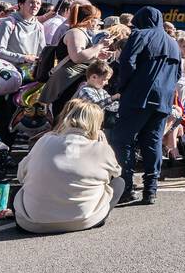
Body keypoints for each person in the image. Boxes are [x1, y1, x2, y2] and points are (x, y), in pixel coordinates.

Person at [13, 99, 124, 234]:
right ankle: (93, 213)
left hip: (32, 223)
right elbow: (115, 173)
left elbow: (21, 175)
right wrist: (104, 145)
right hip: (83, 221)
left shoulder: (46, 140)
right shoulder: (100, 148)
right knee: (119, 183)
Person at [111, 7, 181, 205]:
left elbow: (127, 60)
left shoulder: (140, 34)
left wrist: (124, 85)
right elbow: (178, 74)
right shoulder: (173, 42)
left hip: (138, 95)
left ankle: (126, 186)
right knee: (152, 142)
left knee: (121, 139)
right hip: (164, 99)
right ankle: (150, 189)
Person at [0, 0, 45, 68]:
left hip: (30, 75)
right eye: (31, 2)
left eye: (38, 3)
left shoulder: (39, 27)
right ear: (21, 4)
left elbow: (42, 53)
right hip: (9, 73)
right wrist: (24, 58)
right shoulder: (8, 23)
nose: (35, 5)